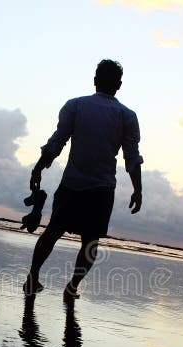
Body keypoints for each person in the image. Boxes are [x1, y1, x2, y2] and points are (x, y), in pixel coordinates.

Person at [25, 59, 143, 299]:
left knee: (52, 232)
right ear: (119, 85)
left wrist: (39, 167)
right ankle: (72, 288)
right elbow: (132, 158)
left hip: (72, 183)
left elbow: (57, 140)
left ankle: (33, 278)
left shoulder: (76, 105)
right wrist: (137, 190)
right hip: (101, 189)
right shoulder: (127, 116)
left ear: (95, 80)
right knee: (90, 242)